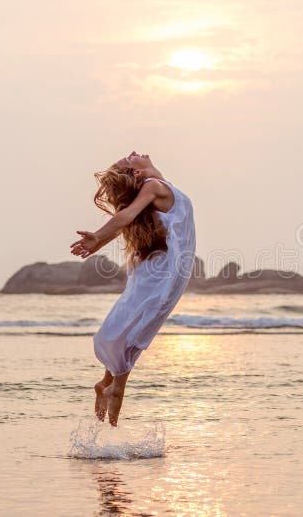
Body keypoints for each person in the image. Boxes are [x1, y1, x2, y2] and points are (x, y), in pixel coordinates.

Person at [71, 152, 196, 426]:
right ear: (138, 173)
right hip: (163, 270)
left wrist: (98, 242)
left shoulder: (157, 188)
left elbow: (126, 220)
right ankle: (116, 387)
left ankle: (108, 382)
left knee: (137, 322)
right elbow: (125, 216)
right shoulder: (154, 185)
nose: (133, 153)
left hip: (164, 267)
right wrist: (97, 238)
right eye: (129, 160)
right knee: (141, 323)